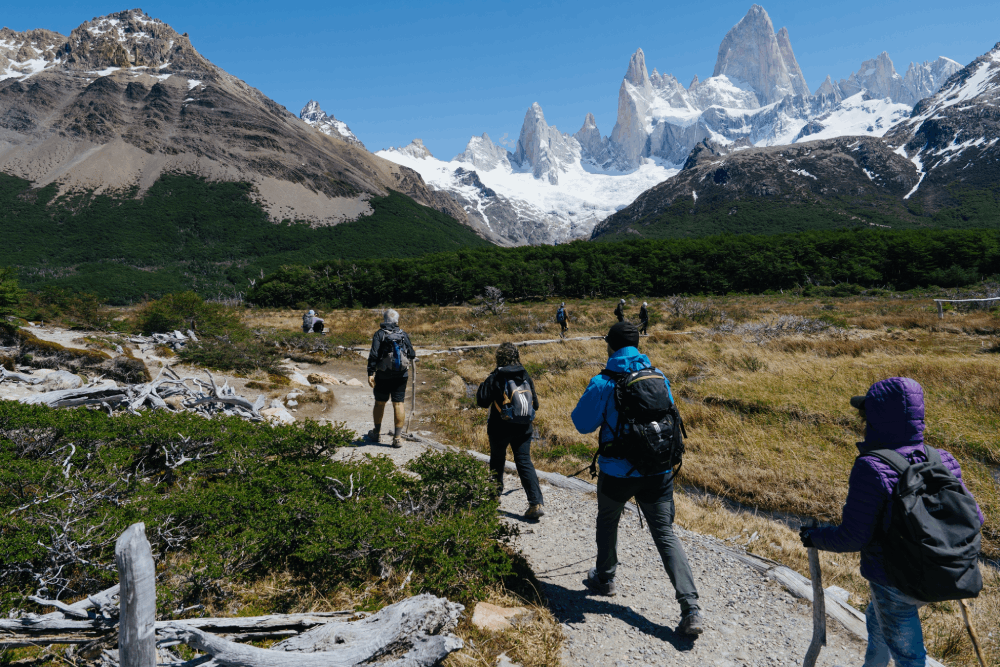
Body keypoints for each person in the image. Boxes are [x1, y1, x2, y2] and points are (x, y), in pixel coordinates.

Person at [800, 377, 985, 667]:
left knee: (910, 658)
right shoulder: (944, 459)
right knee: (877, 618)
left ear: (873, 418)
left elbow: (853, 537)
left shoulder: (871, 466)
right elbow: (976, 517)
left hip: (894, 580)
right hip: (943, 571)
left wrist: (813, 537)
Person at [571, 322, 704, 635]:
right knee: (665, 534)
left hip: (618, 471)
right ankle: (691, 607)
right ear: (637, 344)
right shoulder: (658, 376)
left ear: (610, 346)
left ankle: (604, 578)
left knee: (607, 520)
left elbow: (581, 423)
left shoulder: (604, 382)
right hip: (658, 471)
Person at [475, 342, 545, 519]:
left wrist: (489, 380)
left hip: (499, 427)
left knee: (497, 461)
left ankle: (493, 497)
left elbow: (482, 401)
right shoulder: (525, 374)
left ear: (499, 358)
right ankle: (535, 502)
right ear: (517, 356)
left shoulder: (496, 375)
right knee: (524, 461)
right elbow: (535, 404)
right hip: (524, 427)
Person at [366, 309, 416, 448]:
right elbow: (412, 354)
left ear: (384, 319)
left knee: (380, 403)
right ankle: (398, 438)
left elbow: (374, 354)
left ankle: (376, 433)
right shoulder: (403, 334)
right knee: (398, 404)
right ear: (397, 321)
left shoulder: (380, 334)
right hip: (401, 375)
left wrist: (370, 372)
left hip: (383, 374)